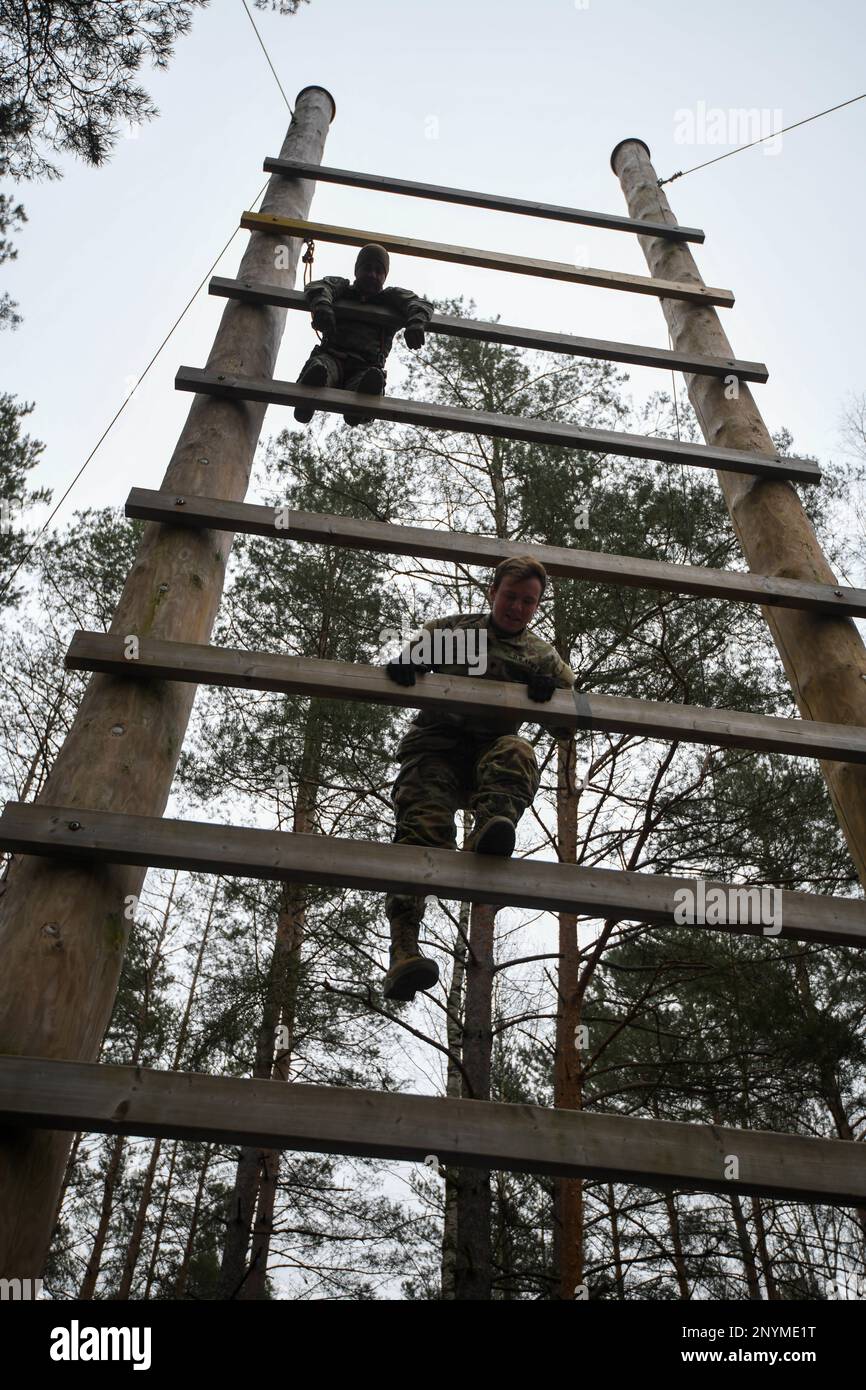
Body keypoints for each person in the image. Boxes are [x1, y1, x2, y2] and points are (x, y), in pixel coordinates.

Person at [381, 554, 576, 1002]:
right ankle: (404, 953)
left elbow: (570, 724)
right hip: (435, 750)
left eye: (528, 602)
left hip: (492, 759)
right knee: (421, 835)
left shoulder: (539, 656)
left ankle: (493, 826)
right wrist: (406, 668)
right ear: (493, 593)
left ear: (537, 606)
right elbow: (408, 663)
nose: (517, 608)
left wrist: (549, 701)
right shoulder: (456, 635)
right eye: (510, 597)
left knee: (518, 750)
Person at [293, 243, 433, 427]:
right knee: (319, 369)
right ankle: (308, 399)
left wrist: (416, 322)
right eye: (367, 268)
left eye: (378, 271)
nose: (372, 275)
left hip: (366, 366)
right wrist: (322, 306)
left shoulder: (390, 298)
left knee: (369, 382)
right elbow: (319, 286)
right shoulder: (342, 288)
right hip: (332, 357)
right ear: (357, 271)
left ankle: (358, 408)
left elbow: (420, 304)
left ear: (385, 276)